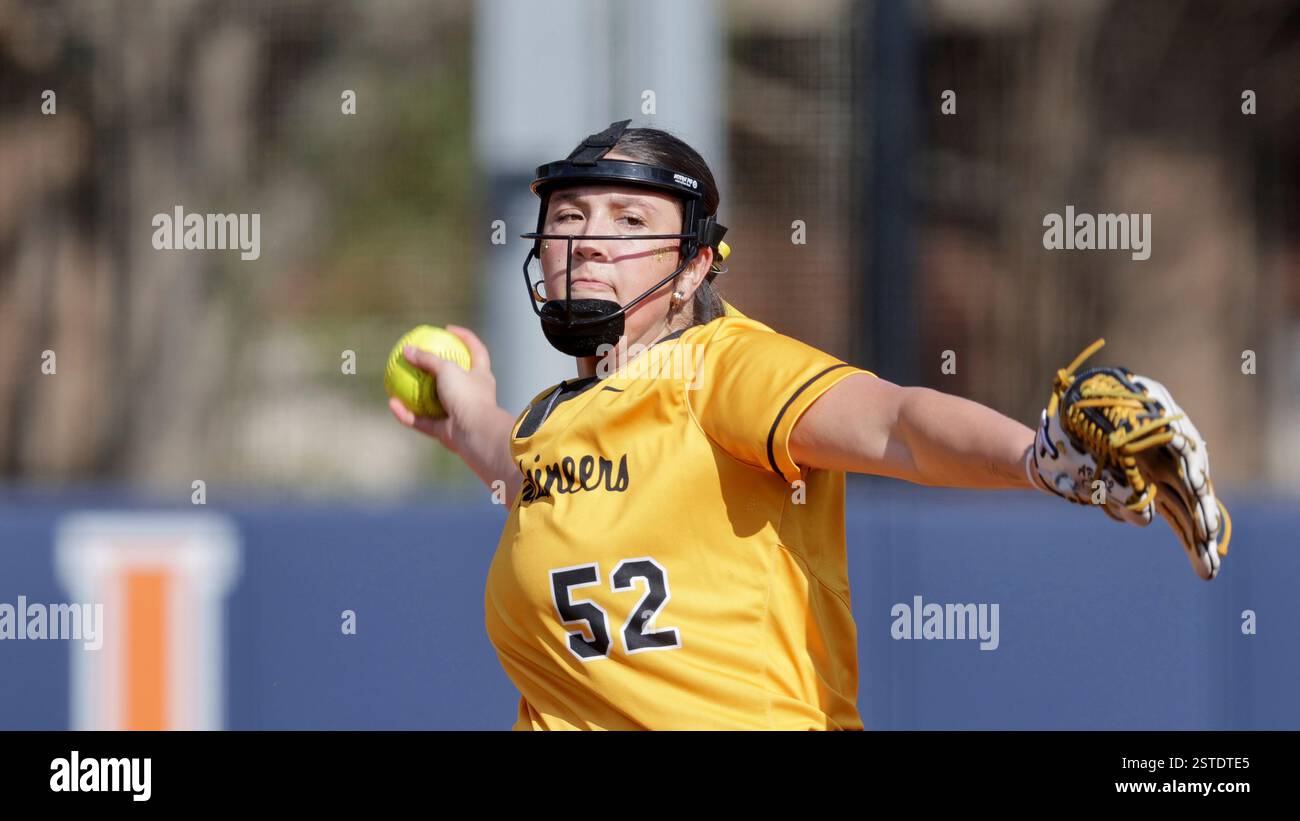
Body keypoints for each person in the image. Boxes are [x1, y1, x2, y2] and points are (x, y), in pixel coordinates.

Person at [388, 120, 1228, 730]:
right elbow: (535, 475)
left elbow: (896, 422)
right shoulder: (552, 419)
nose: (590, 241)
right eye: (570, 217)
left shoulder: (721, 369)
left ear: (692, 270)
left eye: (630, 220)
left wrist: (1039, 457)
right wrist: (470, 419)